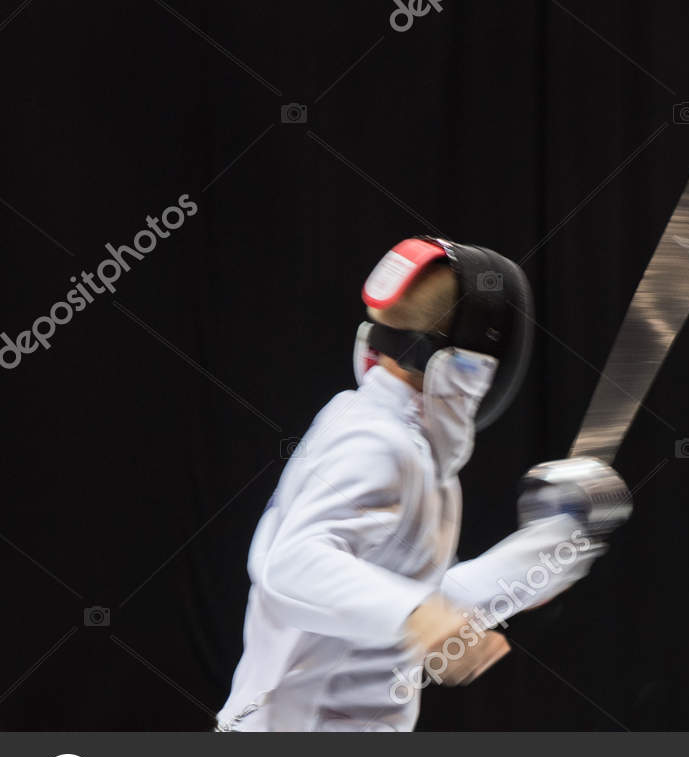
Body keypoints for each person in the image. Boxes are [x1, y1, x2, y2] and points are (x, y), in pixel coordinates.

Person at [217, 237, 625, 731]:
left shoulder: (411, 447)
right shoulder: (376, 441)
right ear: (469, 365)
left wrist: (553, 548)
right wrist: (419, 615)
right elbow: (291, 567)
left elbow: (427, 597)